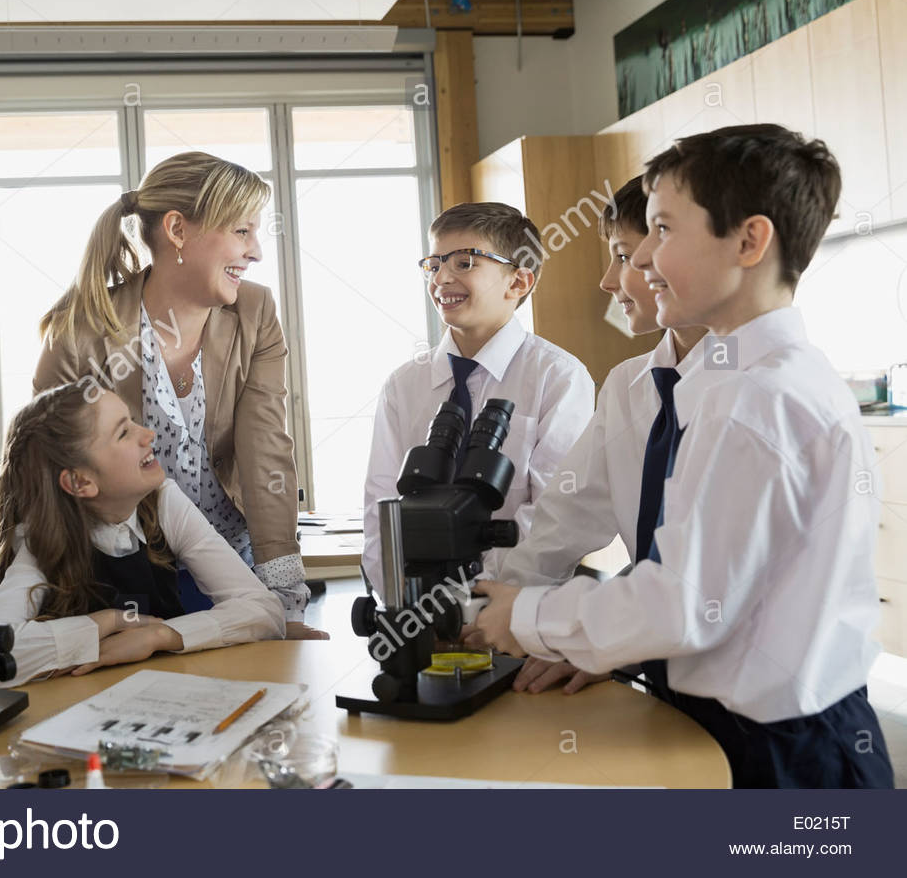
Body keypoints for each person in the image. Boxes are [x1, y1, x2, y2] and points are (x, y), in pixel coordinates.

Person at [475, 124, 894, 788]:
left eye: (663, 232)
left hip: (785, 755)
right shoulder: (731, 384)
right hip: (709, 717)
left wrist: (525, 617)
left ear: (750, 241)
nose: (642, 260)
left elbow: (683, 603)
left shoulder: (759, 400)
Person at [33, 151, 324, 638]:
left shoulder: (255, 311)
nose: (256, 252)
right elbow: (45, 472)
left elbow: (266, 449)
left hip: (234, 565)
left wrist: (285, 600)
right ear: (177, 230)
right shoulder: (80, 331)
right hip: (125, 571)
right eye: (241, 231)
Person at [486, 176, 706, 694]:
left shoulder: (754, 395)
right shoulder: (630, 386)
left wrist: (592, 635)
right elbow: (566, 517)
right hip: (669, 681)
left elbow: (701, 589)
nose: (609, 281)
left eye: (625, 256)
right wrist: (493, 613)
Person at [362, 202, 593, 592]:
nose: (441, 279)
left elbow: (557, 513)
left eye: (465, 263)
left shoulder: (558, 378)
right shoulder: (404, 385)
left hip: (516, 602)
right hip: (417, 605)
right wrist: (403, 597)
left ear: (518, 283)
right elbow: (380, 508)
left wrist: (477, 591)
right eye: (434, 265)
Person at [0, 383, 285, 682]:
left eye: (132, 421)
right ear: (80, 482)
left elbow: (265, 611)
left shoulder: (165, 502)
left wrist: (162, 635)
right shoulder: (39, 539)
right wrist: (105, 623)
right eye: (123, 433)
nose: (148, 434)